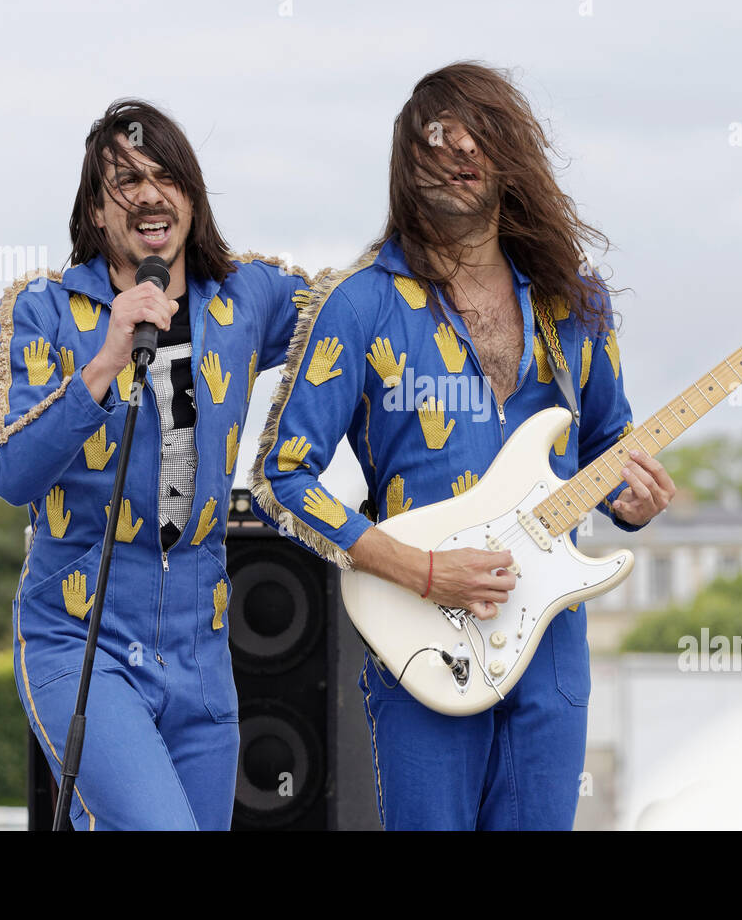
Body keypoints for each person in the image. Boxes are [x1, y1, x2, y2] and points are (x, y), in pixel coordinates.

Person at [250, 62, 675, 830]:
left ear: (507, 157)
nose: (455, 155)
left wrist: (634, 497)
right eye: (433, 143)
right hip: (422, 639)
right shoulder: (360, 303)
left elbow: (608, 440)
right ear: (405, 167)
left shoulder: (573, 302)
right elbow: (283, 477)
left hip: (548, 648)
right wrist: (423, 569)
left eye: (473, 139)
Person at [0, 99, 307, 829]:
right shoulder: (40, 310)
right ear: (96, 211)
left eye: (167, 176)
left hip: (202, 653)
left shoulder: (249, 295)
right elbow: (11, 473)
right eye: (126, 180)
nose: (150, 194)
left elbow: (357, 315)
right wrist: (105, 361)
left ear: (191, 196)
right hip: (81, 640)